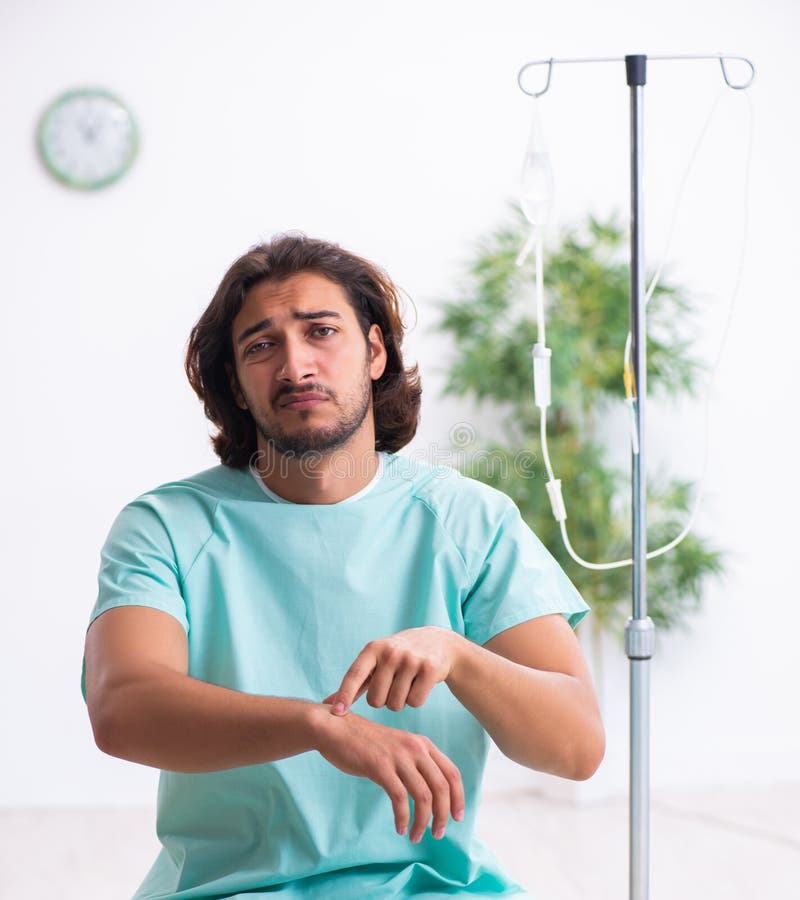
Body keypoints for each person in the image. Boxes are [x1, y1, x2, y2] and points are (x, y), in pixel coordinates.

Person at [82, 234, 605, 899]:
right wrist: (318, 727)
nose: (296, 365)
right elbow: (123, 707)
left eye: (321, 331)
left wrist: (460, 657)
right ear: (238, 388)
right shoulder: (167, 527)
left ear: (376, 351)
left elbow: (577, 748)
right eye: (261, 346)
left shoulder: (469, 521)